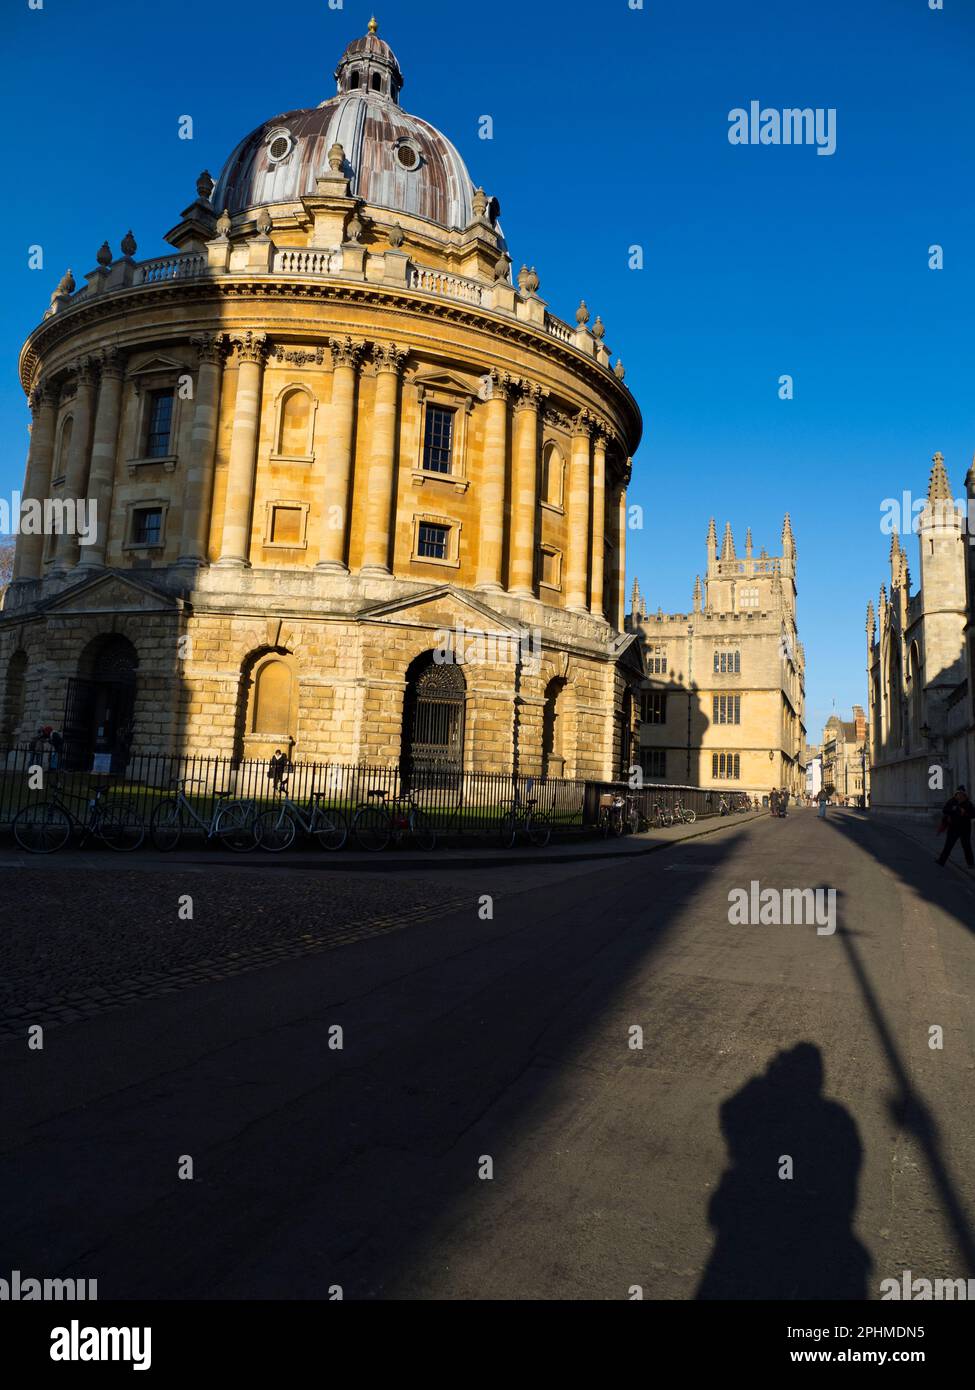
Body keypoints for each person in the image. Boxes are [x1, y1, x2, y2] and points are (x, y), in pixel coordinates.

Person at [936, 786, 974, 869]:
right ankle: (941, 861)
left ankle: (970, 863)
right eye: (958, 794)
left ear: (965, 795)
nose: (960, 796)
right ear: (956, 794)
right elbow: (945, 810)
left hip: (965, 829)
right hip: (953, 828)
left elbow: (973, 814)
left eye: (962, 794)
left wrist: (965, 813)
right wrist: (954, 809)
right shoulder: (951, 801)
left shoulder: (968, 803)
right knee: (948, 845)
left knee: (966, 846)